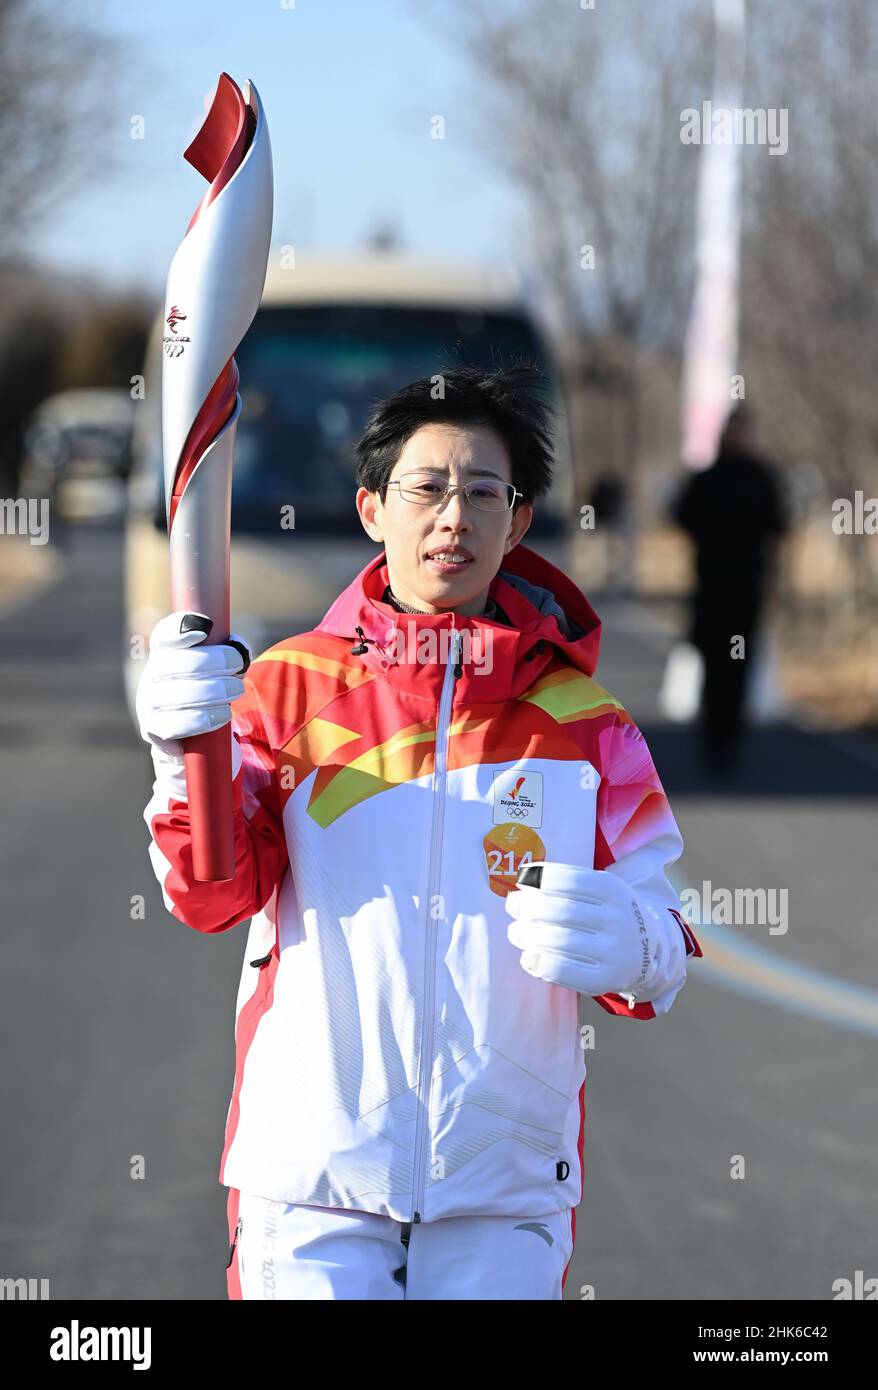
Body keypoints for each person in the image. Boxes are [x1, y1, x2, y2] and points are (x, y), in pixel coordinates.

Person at [136, 362, 702, 1301]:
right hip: (311, 1177)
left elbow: (667, 939)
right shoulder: (286, 689)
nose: (455, 517)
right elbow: (212, 895)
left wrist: (636, 944)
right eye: (428, 489)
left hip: (506, 1184)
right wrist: (179, 754)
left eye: (486, 493)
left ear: (517, 524)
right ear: (373, 509)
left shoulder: (587, 722)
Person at [671, 403, 788, 772]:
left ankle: (730, 740)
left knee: (738, 665)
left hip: (745, 592)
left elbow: (778, 526)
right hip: (711, 591)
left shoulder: (760, 478)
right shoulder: (708, 478)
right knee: (713, 664)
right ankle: (712, 737)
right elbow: (682, 516)